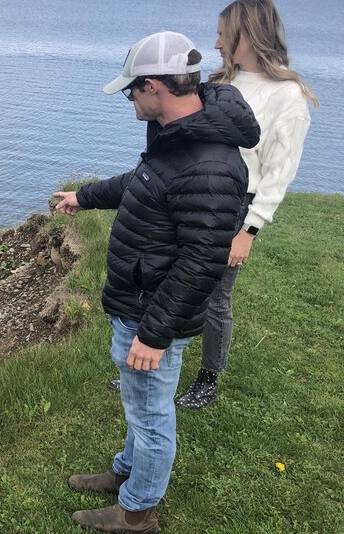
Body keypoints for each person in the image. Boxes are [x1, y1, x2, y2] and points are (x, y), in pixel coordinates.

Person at [53, 31, 259, 533]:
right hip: (139, 304)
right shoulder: (177, 136)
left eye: (131, 92)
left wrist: (153, 333)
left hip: (152, 314)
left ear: (153, 88)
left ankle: (138, 510)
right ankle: (128, 473)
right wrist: (85, 196)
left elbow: (202, 259)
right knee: (139, 400)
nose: (129, 101)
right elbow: (140, 183)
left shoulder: (207, 163)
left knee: (150, 414)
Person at [175, 0, 317, 409]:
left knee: (215, 296)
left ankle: (208, 379)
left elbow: (279, 174)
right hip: (197, 194)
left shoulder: (287, 97)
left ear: (247, 35)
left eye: (223, 34)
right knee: (173, 279)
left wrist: (249, 230)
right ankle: (157, 362)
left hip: (238, 204)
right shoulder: (220, 83)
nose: (216, 43)